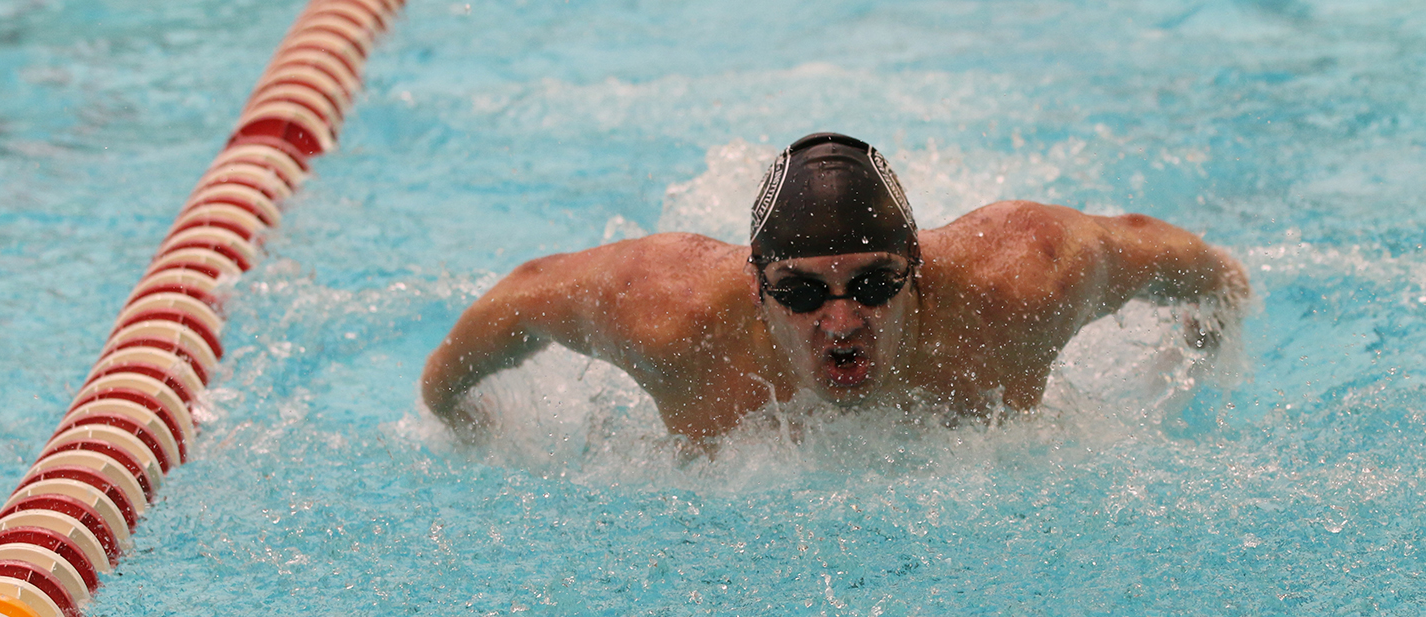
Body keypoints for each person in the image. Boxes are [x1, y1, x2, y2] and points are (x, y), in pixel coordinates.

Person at [420, 132, 1251, 441]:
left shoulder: (1022, 282)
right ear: (755, 289)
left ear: (918, 268)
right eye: (802, 294)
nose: (843, 319)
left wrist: (1208, 334)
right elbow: (521, 299)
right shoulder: (668, 316)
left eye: (875, 283)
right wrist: (454, 410)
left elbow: (1190, 265)